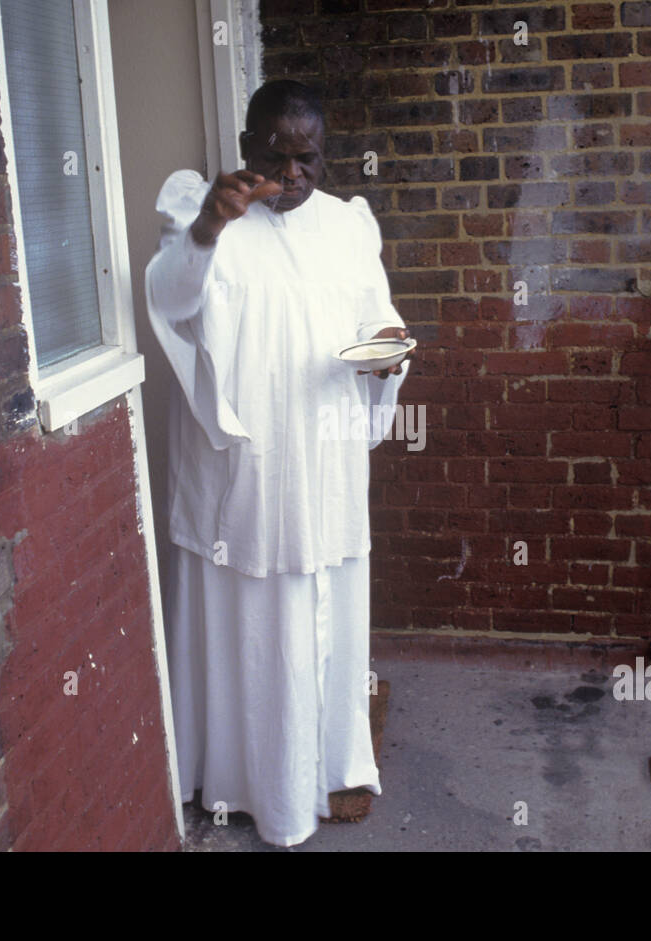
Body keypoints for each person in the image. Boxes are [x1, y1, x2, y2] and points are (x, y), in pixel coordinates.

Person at [144, 79, 411, 847]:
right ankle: (247, 782)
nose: (292, 174)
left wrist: (390, 351)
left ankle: (322, 764)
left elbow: (377, 311)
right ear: (246, 149)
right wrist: (204, 230)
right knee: (253, 626)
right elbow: (168, 302)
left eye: (308, 158)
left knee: (323, 603)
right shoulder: (205, 212)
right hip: (246, 474)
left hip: (322, 460)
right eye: (275, 156)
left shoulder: (348, 225)